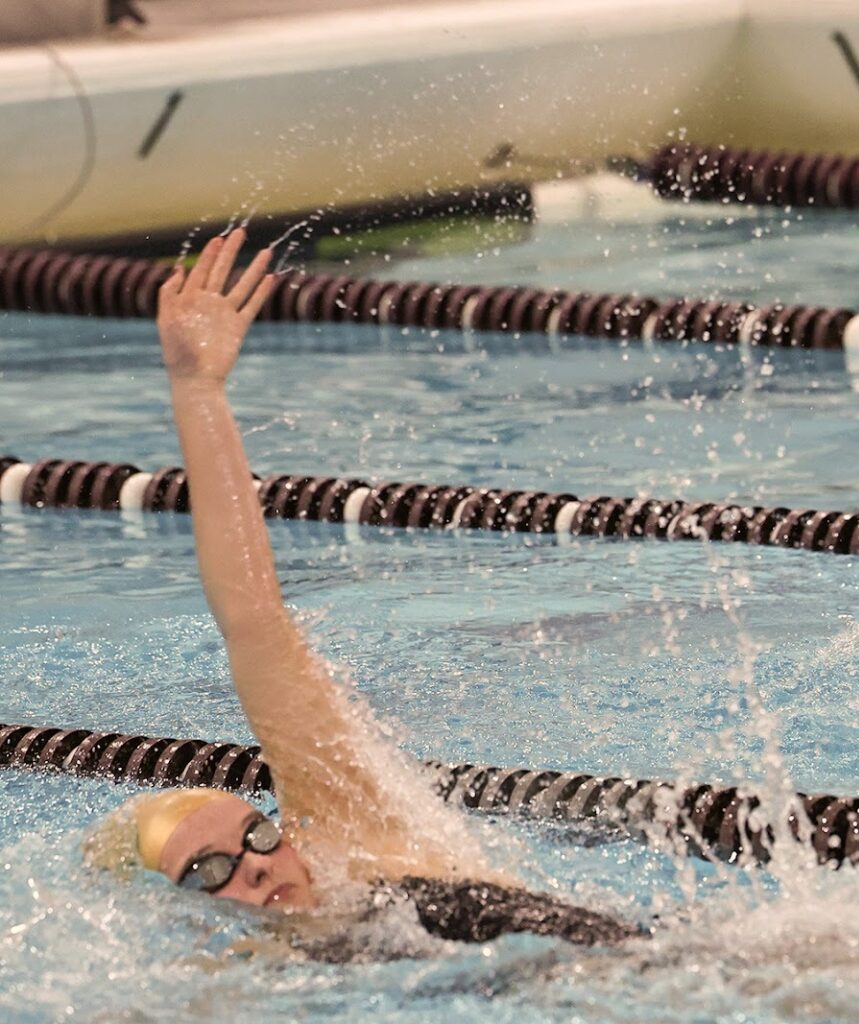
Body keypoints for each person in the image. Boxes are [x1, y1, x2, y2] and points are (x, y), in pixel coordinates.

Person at [85, 229, 640, 953]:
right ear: (177, 911)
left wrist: (198, 391)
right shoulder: (254, 967)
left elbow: (252, 617)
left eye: (256, 835)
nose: (254, 867)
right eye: (207, 872)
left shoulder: (351, 836)